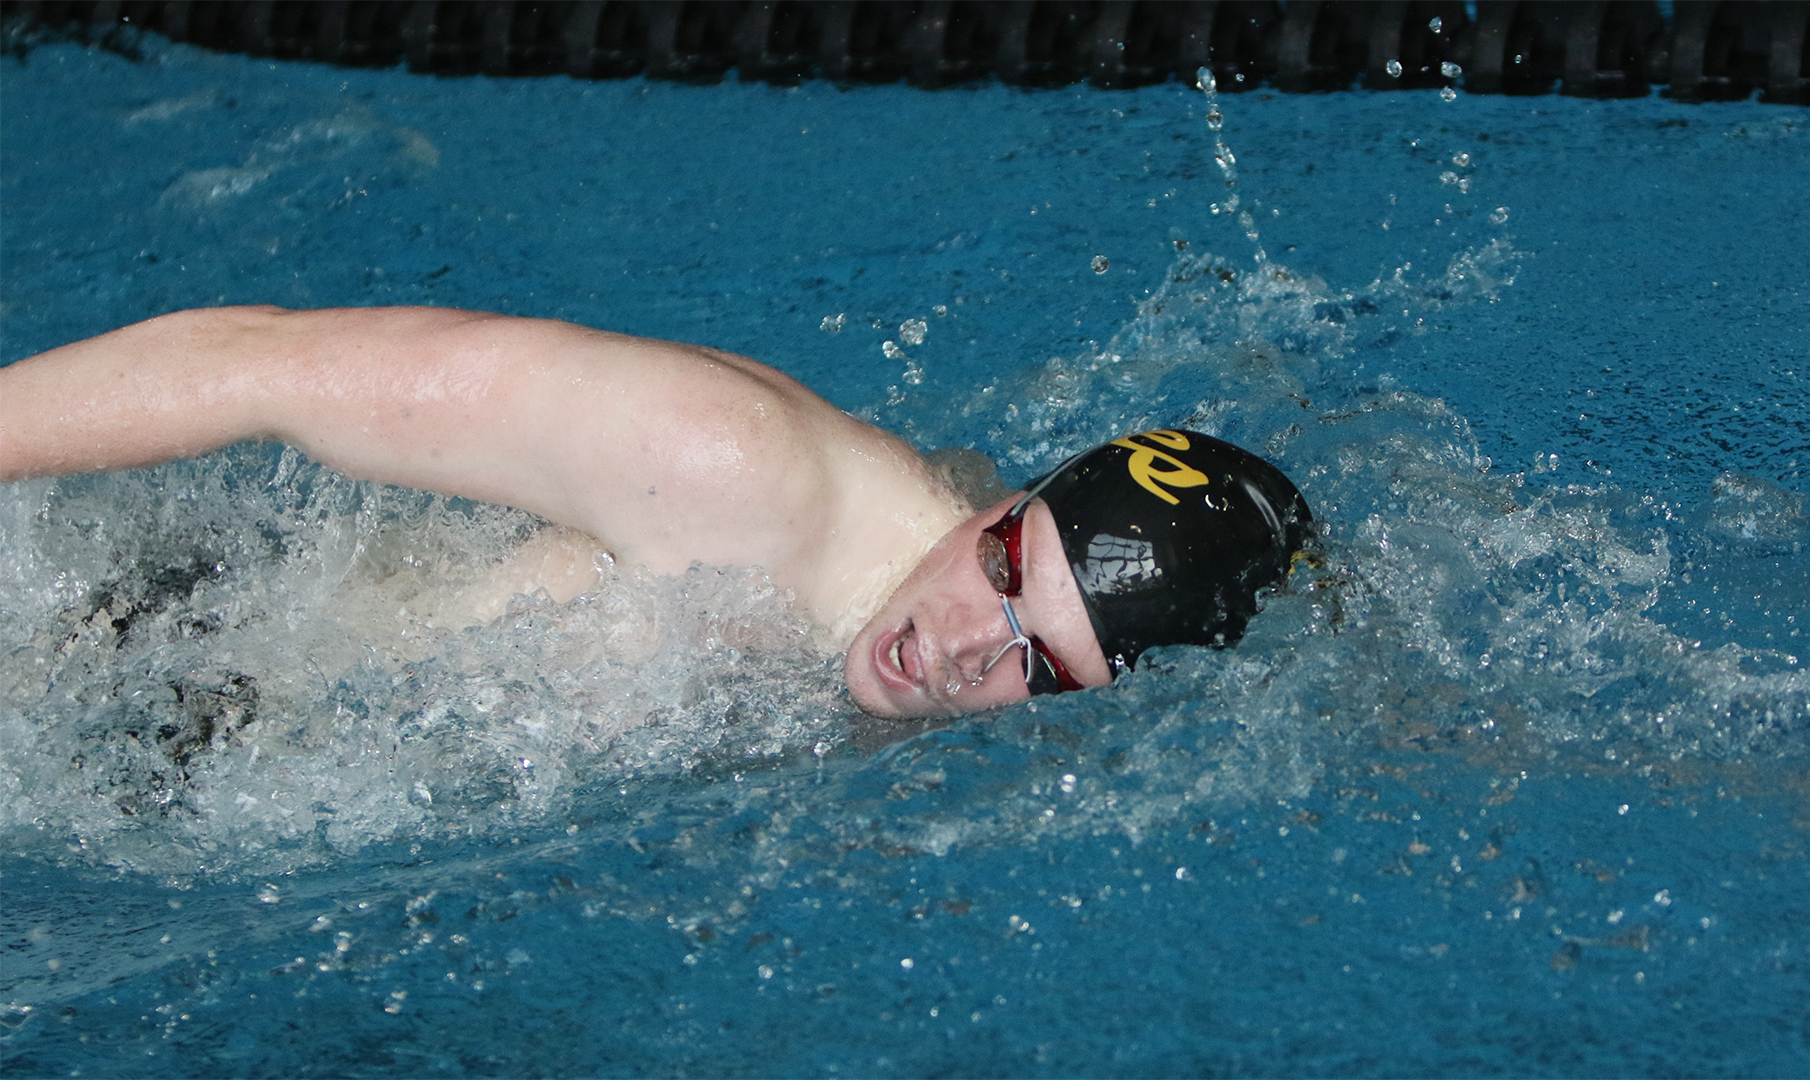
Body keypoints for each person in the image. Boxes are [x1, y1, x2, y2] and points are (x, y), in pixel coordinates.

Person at [0, 305, 1312, 718]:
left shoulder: (938, 590)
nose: (966, 649)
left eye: (1040, 666)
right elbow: (259, 364)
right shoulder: (724, 464)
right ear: (1009, 505)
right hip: (152, 661)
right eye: (1005, 575)